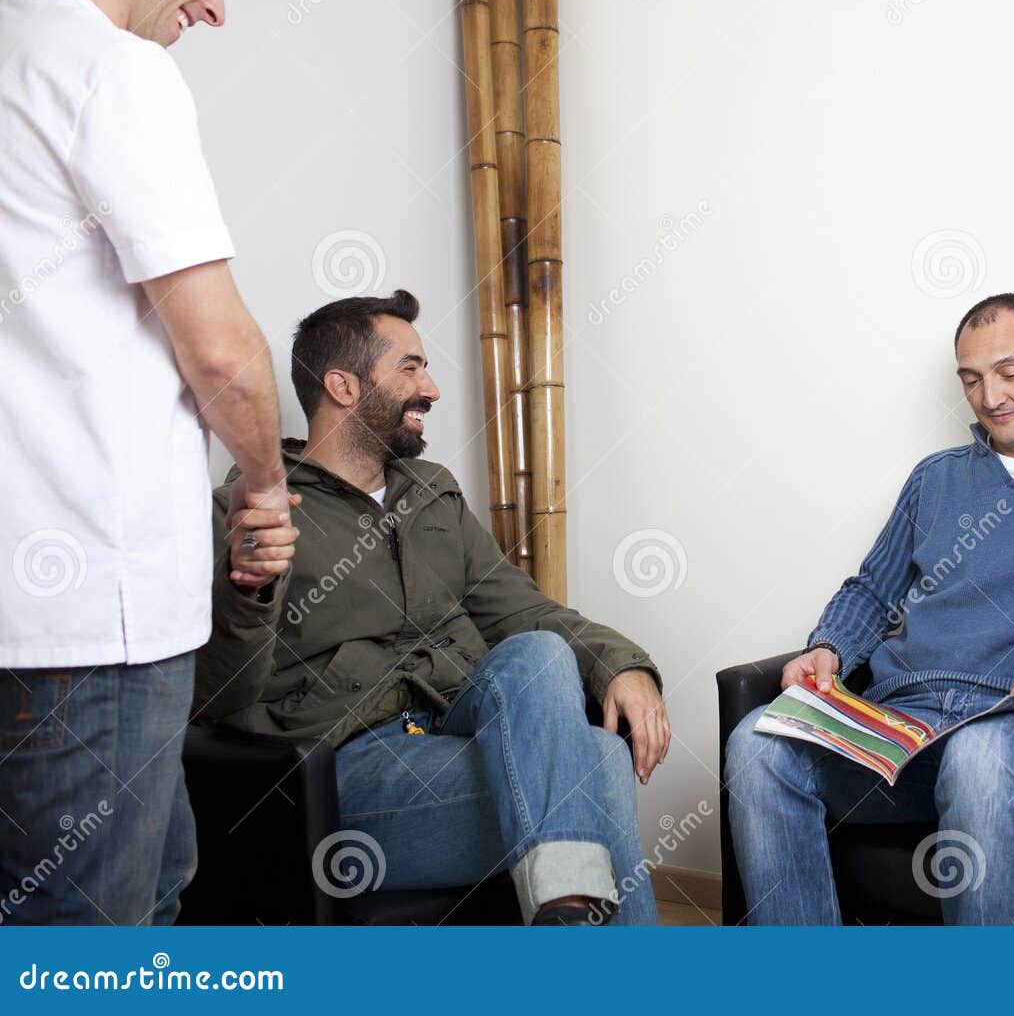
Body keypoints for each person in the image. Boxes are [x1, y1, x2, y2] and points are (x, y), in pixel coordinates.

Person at [0, 0, 293, 926]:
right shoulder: (109, 68)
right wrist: (265, 485)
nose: (215, 2)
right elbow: (220, 351)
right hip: (94, 625)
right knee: (98, 937)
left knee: (131, 899)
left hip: (29, 615)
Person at [193, 290, 669, 924]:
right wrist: (249, 588)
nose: (433, 388)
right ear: (342, 386)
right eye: (410, 367)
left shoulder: (431, 494)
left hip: (450, 724)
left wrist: (621, 665)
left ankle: (570, 926)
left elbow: (526, 612)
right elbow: (216, 695)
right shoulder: (255, 512)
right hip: (345, 773)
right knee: (601, 764)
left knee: (540, 653)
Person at [725, 293, 1014, 924]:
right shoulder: (934, 478)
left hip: (1012, 724)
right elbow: (871, 591)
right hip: (901, 726)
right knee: (755, 746)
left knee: (980, 761)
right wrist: (827, 648)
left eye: (1009, 373)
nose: (991, 397)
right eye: (972, 380)